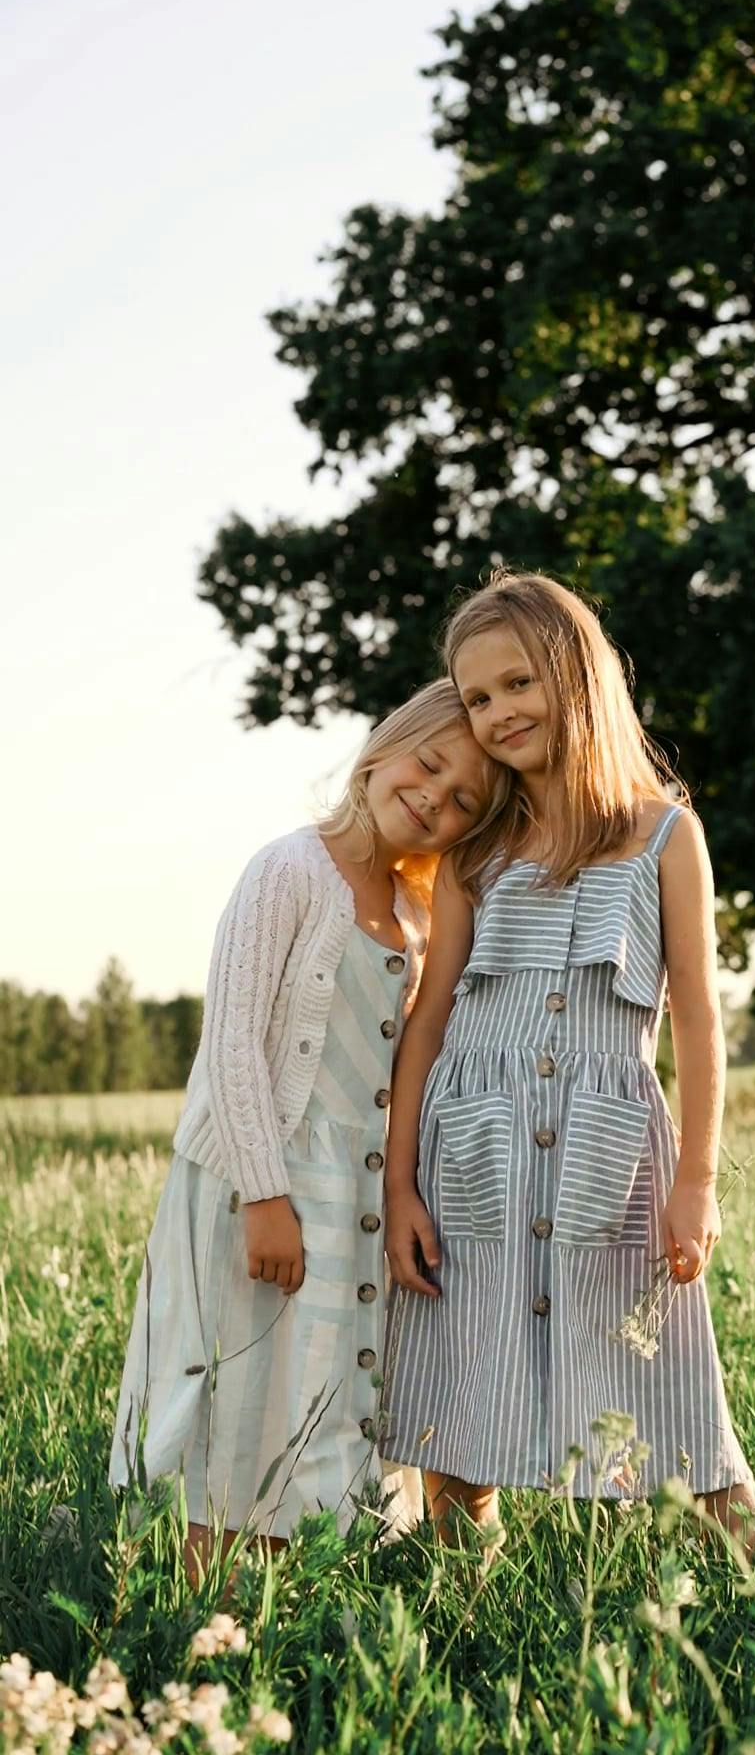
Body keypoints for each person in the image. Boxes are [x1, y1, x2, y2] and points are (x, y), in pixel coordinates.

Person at [382, 574, 755, 1546]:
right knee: (462, 1389)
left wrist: (697, 1182)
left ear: (578, 676)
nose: (500, 712)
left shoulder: (665, 835)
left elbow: (697, 1022)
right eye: (478, 698)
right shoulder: (477, 849)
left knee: (670, 1389)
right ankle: (456, 1603)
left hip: (615, 1156)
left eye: (520, 683)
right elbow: (425, 1024)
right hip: (473, 1153)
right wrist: (398, 1188)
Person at [110, 678, 512, 1583]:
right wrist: (263, 1195)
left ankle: (297, 1593)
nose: (434, 799)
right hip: (262, 1181)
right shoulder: (290, 868)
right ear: (383, 747)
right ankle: (201, 1597)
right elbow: (234, 1045)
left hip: (350, 1195)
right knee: (238, 1393)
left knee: (319, 1384)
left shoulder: (417, 914)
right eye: (430, 765)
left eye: (462, 805)